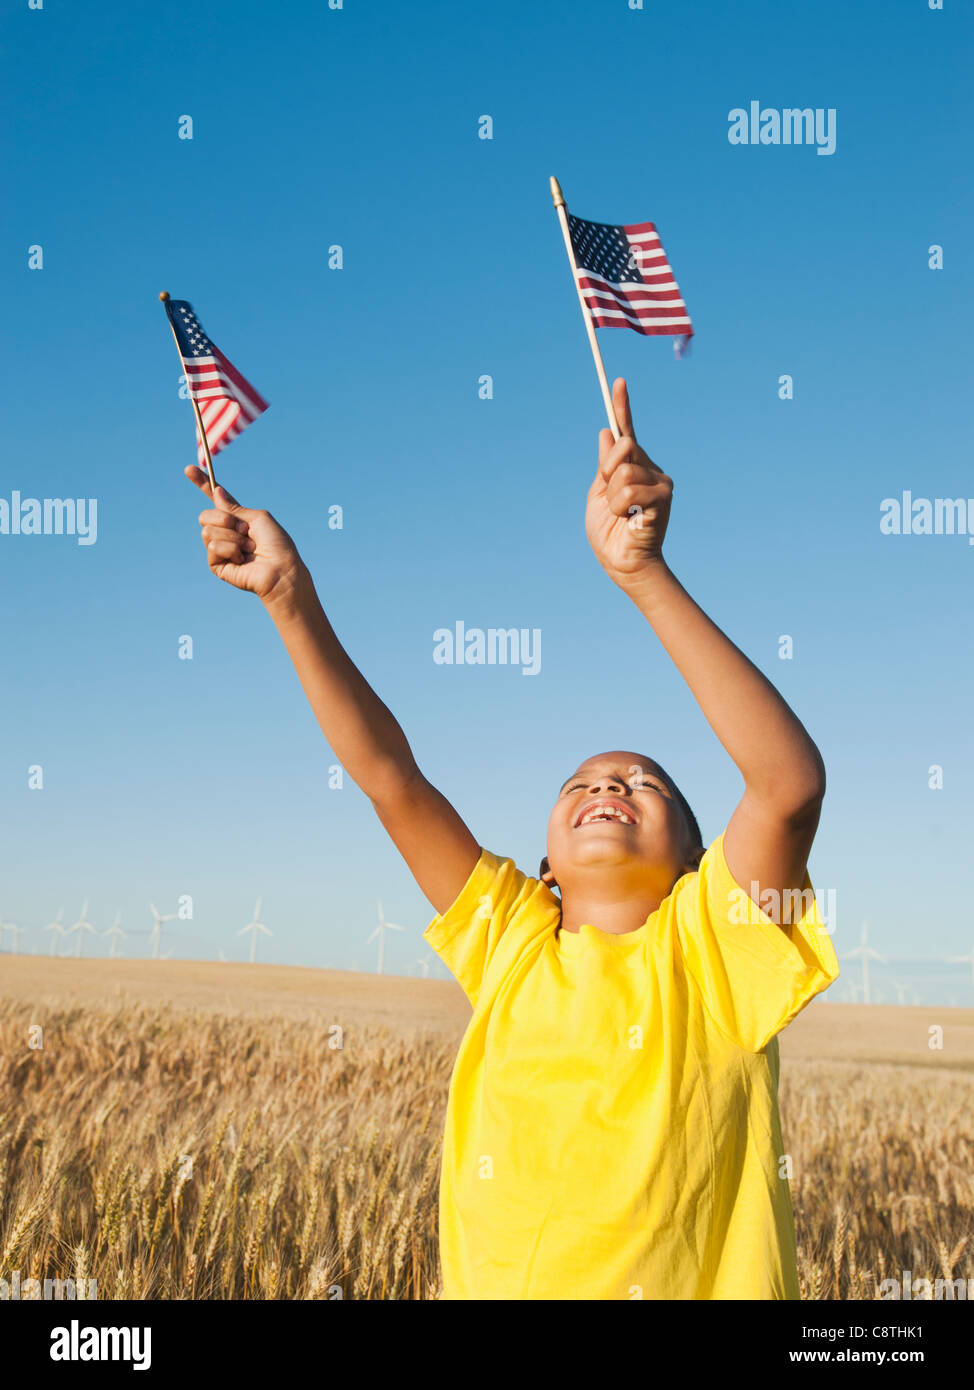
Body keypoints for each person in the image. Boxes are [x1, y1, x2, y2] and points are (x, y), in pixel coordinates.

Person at [187, 377, 839, 1299]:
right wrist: (288, 597)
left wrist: (643, 577)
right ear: (542, 872)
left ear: (704, 867)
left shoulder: (717, 952)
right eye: (581, 783)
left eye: (643, 783)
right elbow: (390, 779)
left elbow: (787, 786)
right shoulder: (511, 941)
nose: (608, 784)